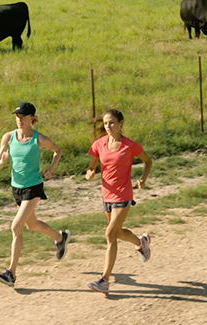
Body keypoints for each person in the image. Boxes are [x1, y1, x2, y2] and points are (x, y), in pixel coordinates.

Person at [0, 102, 70, 288]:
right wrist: (2, 160)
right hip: (16, 188)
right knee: (32, 225)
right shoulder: (8, 137)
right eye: (17, 116)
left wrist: (50, 169)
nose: (19, 120)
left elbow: (58, 151)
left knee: (16, 226)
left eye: (24, 117)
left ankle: (11, 273)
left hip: (33, 187)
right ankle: (60, 238)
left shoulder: (39, 139)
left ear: (32, 118)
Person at [84, 108, 153, 295]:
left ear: (121, 123)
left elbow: (148, 161)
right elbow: (91, 167)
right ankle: (141, 242)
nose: (108, 126)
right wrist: (90, 173)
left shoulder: (130, 146)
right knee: (117, 233)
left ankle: (104, 280)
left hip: (123, 195)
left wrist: (143, 179)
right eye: (105, 123)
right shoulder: (98, 145)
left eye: (112, 123)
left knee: (109, 234)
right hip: (106, 195)